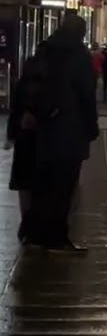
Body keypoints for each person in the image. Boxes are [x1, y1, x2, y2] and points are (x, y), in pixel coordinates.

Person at [27, 14, 99, 251]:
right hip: (70, 128)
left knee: (43, 184)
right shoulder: (78, 56)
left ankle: (35, 235)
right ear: (82, 32)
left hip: (44, 127)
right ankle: (57, 237)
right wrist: (91, 127)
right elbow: (87, 95)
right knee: (64, 186)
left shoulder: (45, 49)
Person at [6, 55, 44, 244]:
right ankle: (34, 223)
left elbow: (14, 112)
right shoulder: (47, 87)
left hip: (23, 141)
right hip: (41, 141)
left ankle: (26, 222)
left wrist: (11, 136)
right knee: (39, 183)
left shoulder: (21, 86)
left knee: (24, 185)